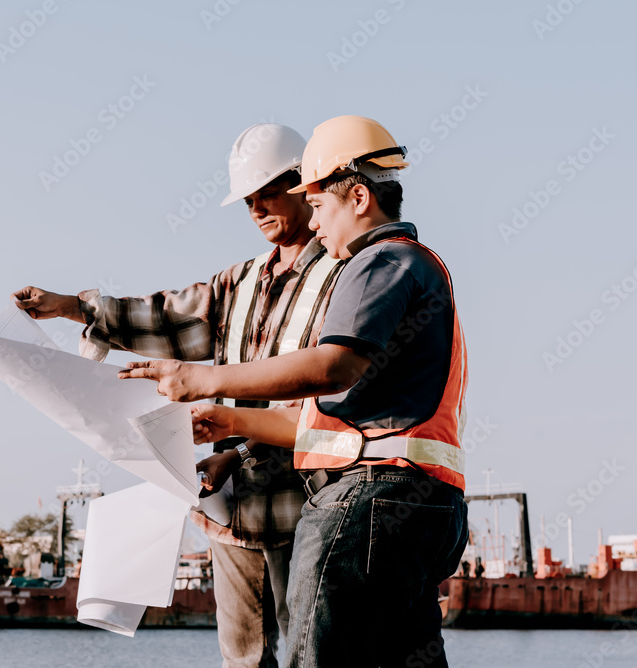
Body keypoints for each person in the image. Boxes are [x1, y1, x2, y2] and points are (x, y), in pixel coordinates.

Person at [118, 116, 469, 668]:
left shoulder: (375, 261)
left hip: (364, 505)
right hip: (425, 507)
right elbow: (341, 423)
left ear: (357, 198)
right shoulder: (420, 269)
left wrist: (203, 378)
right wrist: (233, 424)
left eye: (320, 206)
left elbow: (332, 367)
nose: (315, 222)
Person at [12, 123, 341, 668]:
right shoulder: (239, 282)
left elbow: (330, 391)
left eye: (268, 194)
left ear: (305, 186)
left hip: (303, 507)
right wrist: (74, 306)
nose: (257, 209)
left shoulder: (341, 279)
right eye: (249, 200)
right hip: (233, 512)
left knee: (312, 655)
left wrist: (236, 446)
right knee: (241, 659)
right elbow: (167, 316)